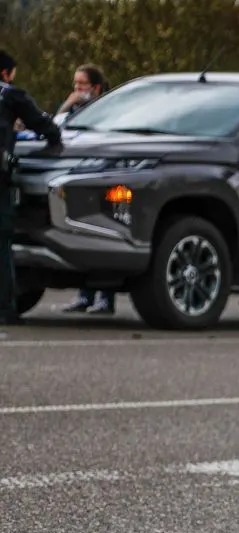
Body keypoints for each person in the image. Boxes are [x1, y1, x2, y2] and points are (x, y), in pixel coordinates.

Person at [0, 50, 61, 326]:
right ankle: (5, 308)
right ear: (6, 73)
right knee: (2, 241)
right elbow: (44, 126)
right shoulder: (10, 95)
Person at [57, 64, 114, 315]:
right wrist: (67, 105)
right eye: (75, 85)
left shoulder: (109, 110)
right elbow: (56, 126)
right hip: (79, 179)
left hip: (103, 180)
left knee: (104, 238)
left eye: (82, 85)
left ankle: (106, 298)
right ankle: (84, 295)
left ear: (96, 88)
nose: (78, 90)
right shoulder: (75, 112)